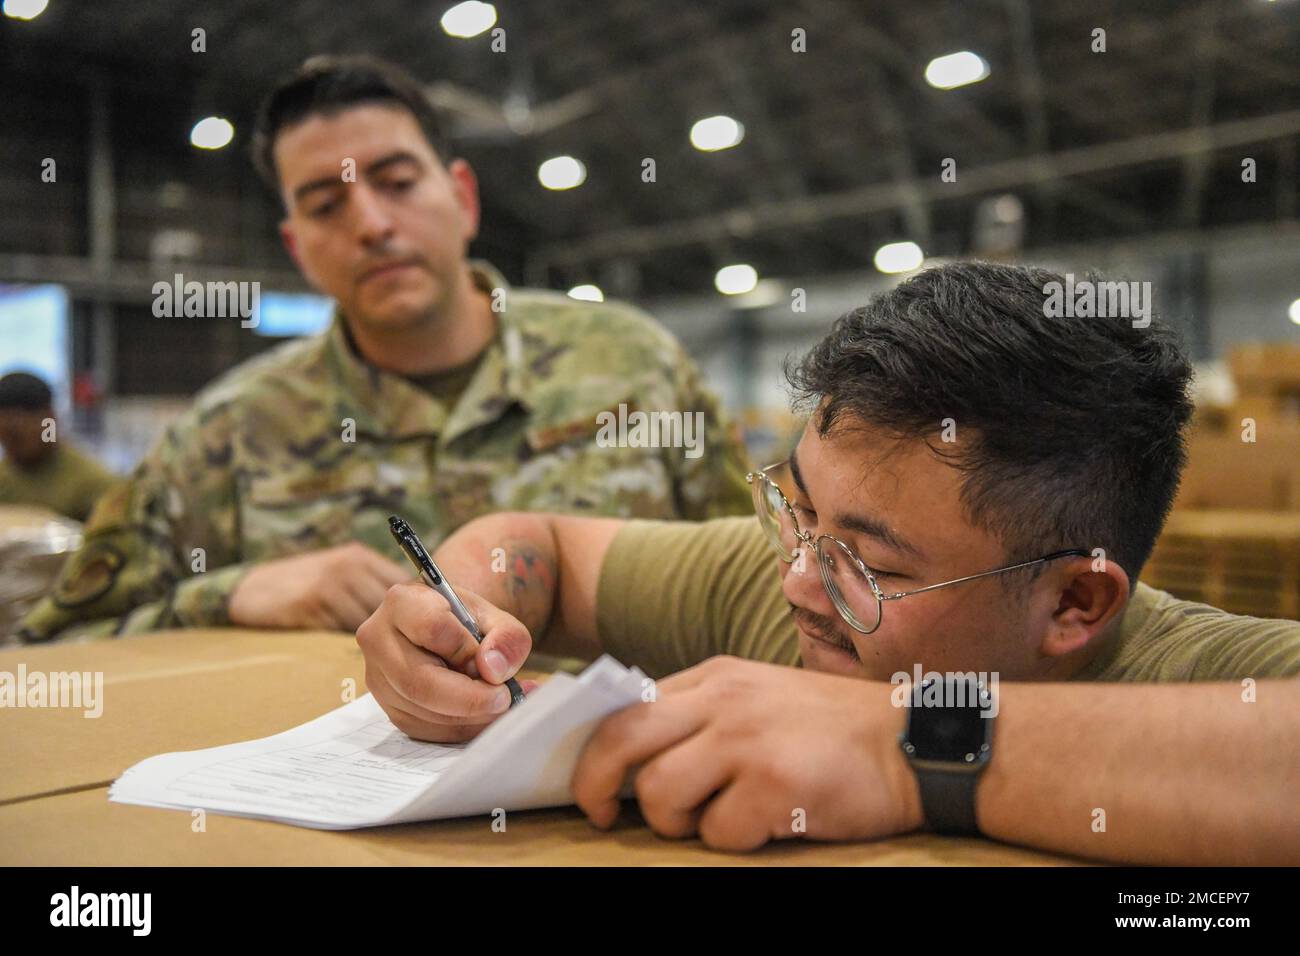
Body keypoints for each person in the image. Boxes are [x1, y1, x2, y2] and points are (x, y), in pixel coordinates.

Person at [356, 261, 1300, 864]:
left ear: (1077, 603)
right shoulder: (794, 588)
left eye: (875, 567)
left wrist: (907, 745)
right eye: (797, 509)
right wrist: (462, 607)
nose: (798, 580)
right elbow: (543, 545)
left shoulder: (1197, 677)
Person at [18, 55, 750, 643]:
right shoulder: (230, 435)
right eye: (326, 205)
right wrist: (229, 593)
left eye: (397, 182)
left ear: (462, 197)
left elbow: (771, 581)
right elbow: (56, 644)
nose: (370, 222)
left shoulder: (634, 367)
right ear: (296, 247)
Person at [0, 371, 116, 522]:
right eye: (7, 438)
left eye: (19, 437)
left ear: (50, 420)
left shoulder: (93, 485)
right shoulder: (4, 479)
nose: (13, 447)